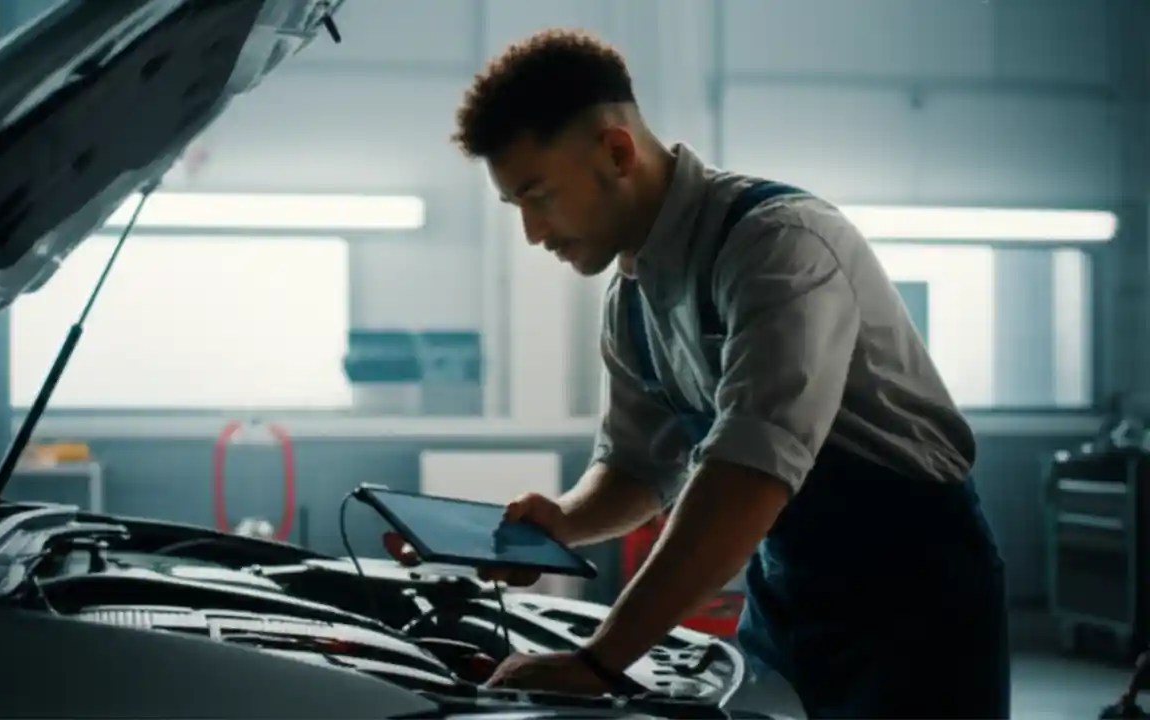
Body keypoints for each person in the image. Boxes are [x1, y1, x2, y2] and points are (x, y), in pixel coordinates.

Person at [385, 28, 1010, 719]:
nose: (533, 233)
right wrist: (562, 520)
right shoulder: (630, 299)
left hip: (914, 593)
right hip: (788, 590)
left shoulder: (780, 245)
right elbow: (636, 469)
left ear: (617, 151)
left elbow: (747, 476)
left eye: (539, 196)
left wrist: (598, 659)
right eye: (517, 208)